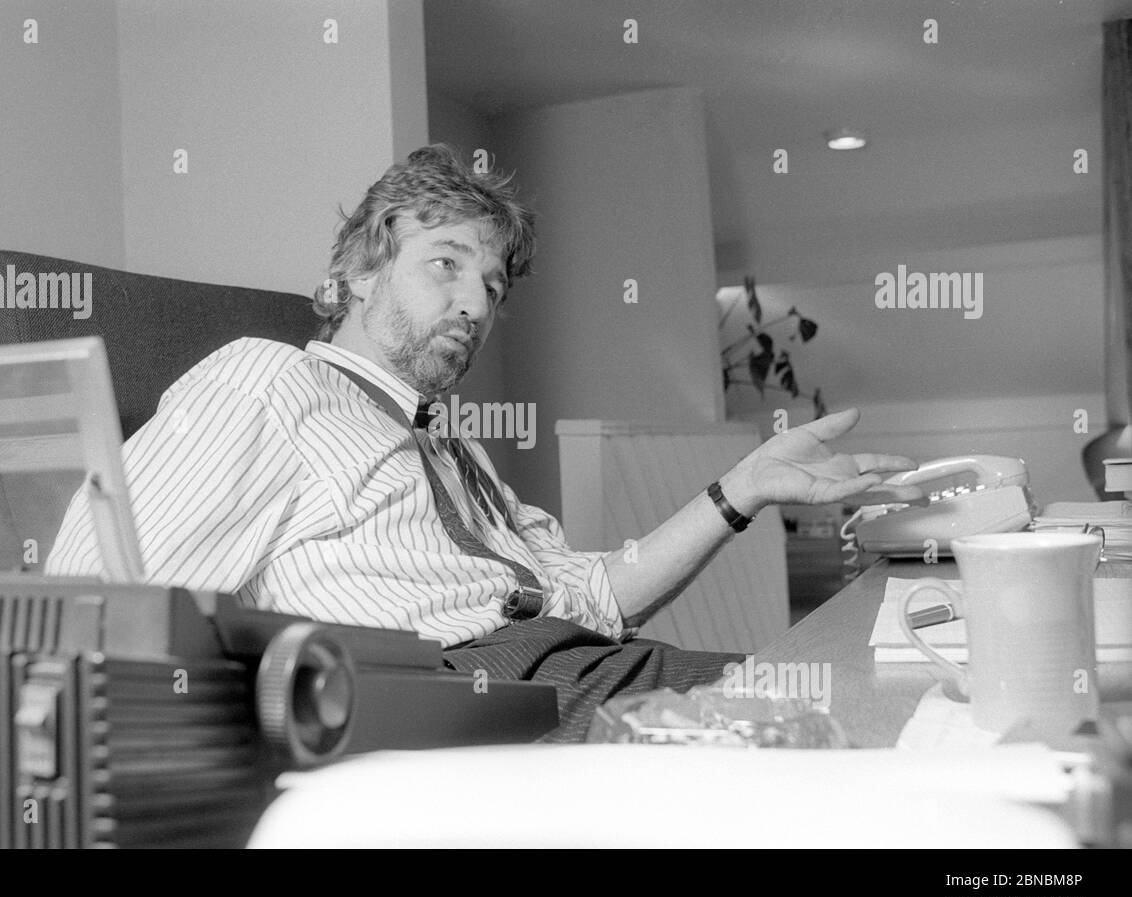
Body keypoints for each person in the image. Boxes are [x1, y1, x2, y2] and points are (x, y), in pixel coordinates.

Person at [46, 144, 922, 741]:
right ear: (355, 273)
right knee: (862, 735)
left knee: (871, 694)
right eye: (447, 264)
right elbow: (90, 600)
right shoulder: (271, 383)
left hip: (574, 671)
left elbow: (593, 597)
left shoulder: (455, 451)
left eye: (493, 284)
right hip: (454, 702)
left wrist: (743, 490)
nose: (476, 304)